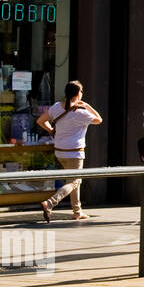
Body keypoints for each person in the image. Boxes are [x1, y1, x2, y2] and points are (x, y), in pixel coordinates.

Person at [36, 80, 102, 222]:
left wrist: (51, 130)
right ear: (78, 94)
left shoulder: (56, 107)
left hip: (60, 151)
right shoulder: (81, 113)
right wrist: (87, 105)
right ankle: (50, 203)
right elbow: (99, 120)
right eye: (82, 91)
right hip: (75, 152)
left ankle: (77, 211)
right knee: (74, 182)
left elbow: (41, 121)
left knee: (72, 181)